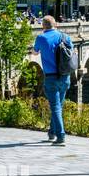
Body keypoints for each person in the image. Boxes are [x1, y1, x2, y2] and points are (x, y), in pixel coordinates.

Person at [33, 15, 73, 146]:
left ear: (43, 26)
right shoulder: (65, 37)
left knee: (55, 107)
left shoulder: (41, 38)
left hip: (51, 77)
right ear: (55, 25)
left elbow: (35, 52)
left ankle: (60, 136)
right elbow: (71, 52)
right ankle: (52, 132)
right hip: (65, 77)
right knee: (58, 106)